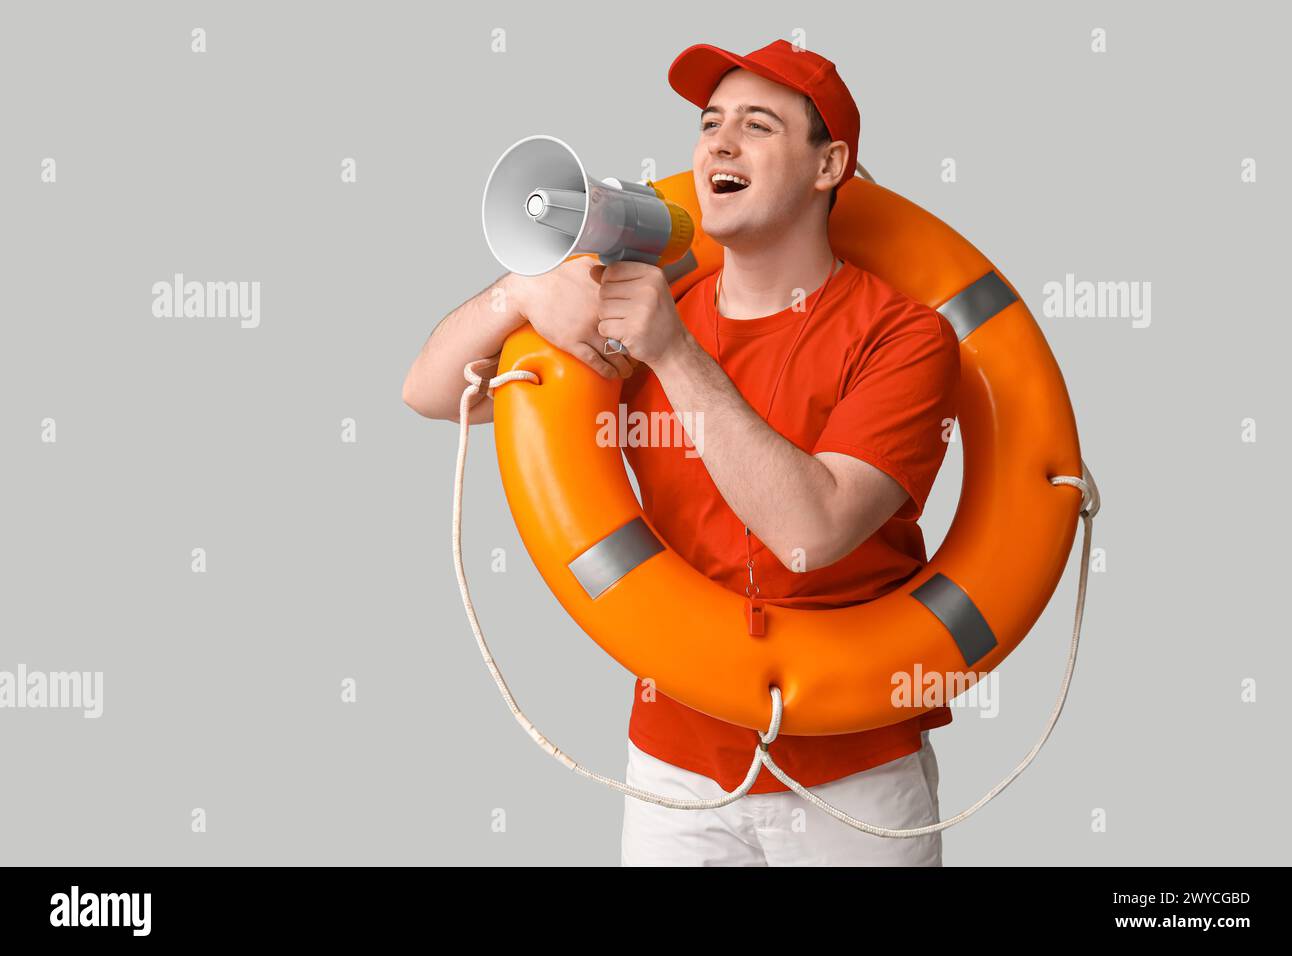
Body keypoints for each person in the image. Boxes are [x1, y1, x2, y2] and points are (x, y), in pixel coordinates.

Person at [403, 39, 961, 867]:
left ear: (828, 164)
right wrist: (519, 290)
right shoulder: (649, 310)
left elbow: (812, 531)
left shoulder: (904, 338)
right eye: (709, 123)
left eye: (758, 126)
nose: (719, 144)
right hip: (674, 767)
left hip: (853, 773)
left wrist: (673, 353)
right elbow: (429, 391)